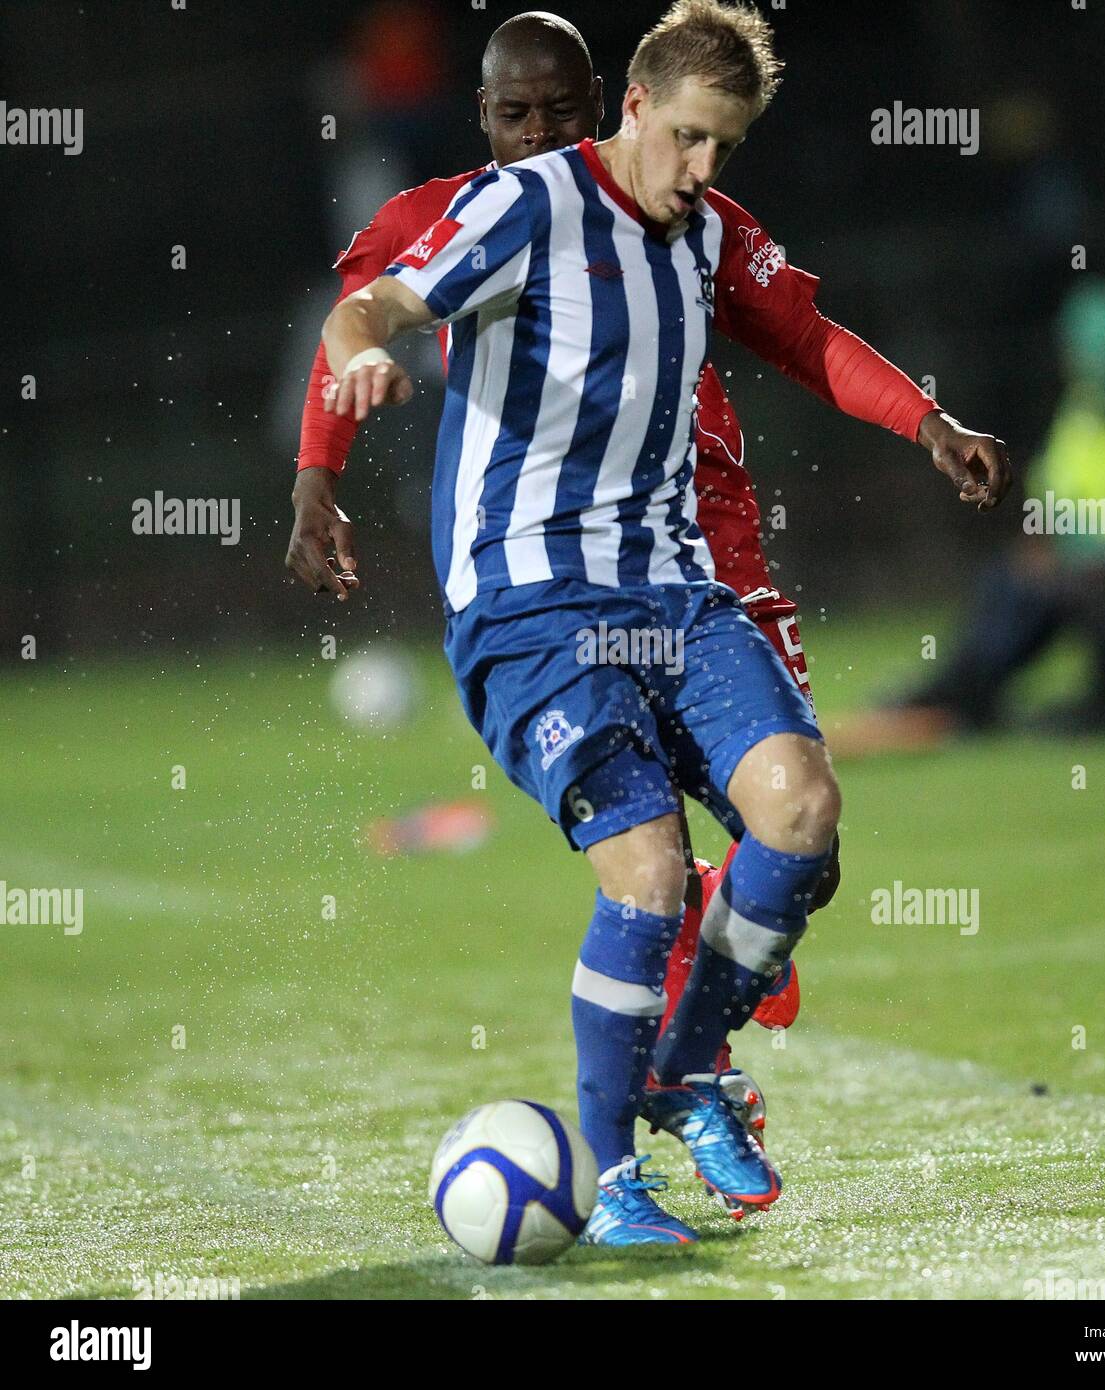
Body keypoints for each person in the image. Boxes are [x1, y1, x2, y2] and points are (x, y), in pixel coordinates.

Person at [295, 0, 1010, 1246]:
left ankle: (682, 1065)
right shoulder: (527, 206)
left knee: (802, 818)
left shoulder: (708, 230)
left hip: (675, 587)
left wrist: (931, 426)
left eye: (723, 148)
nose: (702, 171)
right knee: (650, 870)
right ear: (632, 108)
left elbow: (808, 336)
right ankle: (613, 1168)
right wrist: (353, 368)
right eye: (686, 139)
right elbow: (381, 303)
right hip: (530, 600)